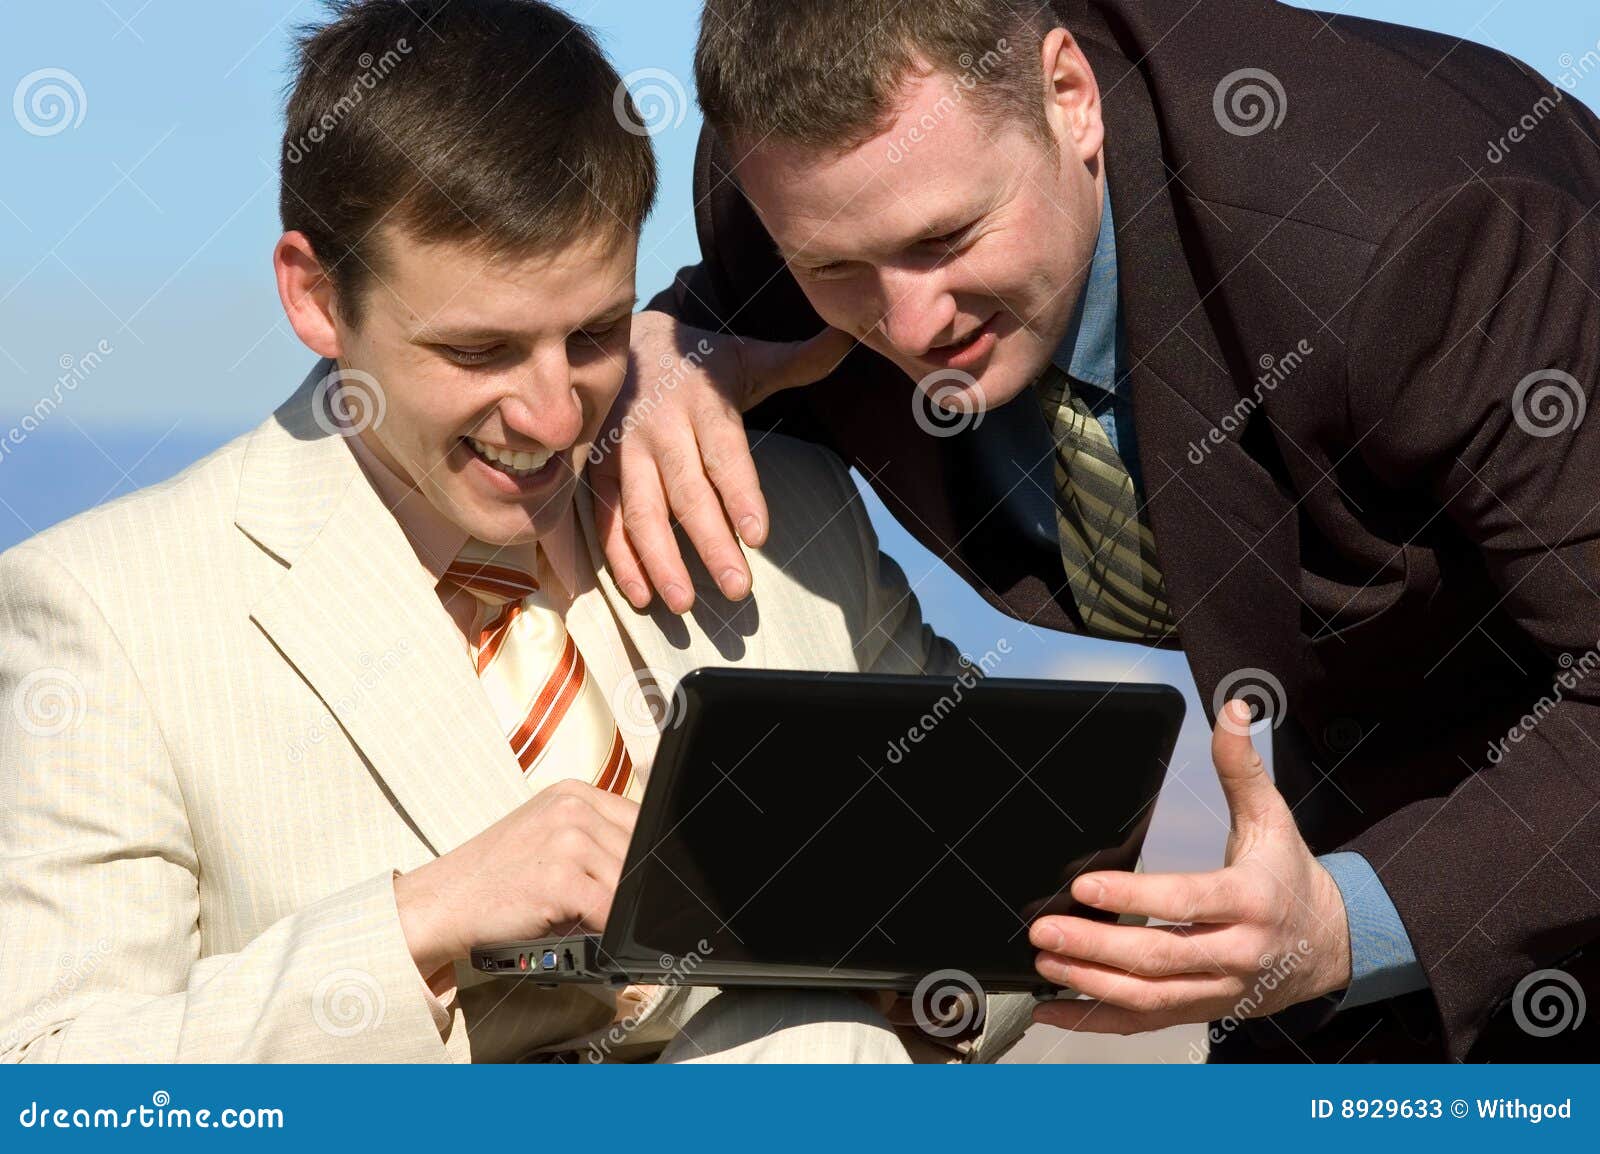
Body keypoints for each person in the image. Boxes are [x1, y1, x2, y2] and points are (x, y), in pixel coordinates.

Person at [0, 0, 1033, 1064]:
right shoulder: (104, 611)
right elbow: (46, 1082)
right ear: (314, 295)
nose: (550, 416)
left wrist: (845, 987)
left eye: (593, 333)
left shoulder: (789, 516)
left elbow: (995, 912)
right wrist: (417, 918)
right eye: (478, 349)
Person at [595, 0, 1600, 1061]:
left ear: (1068, 96)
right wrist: (666, 349)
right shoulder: (794, 180)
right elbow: (718, 321)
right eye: (836, 270)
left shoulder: (1419, 240)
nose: (905, 327)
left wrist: (1346, 923)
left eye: (945, 239)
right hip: (1336, 803)